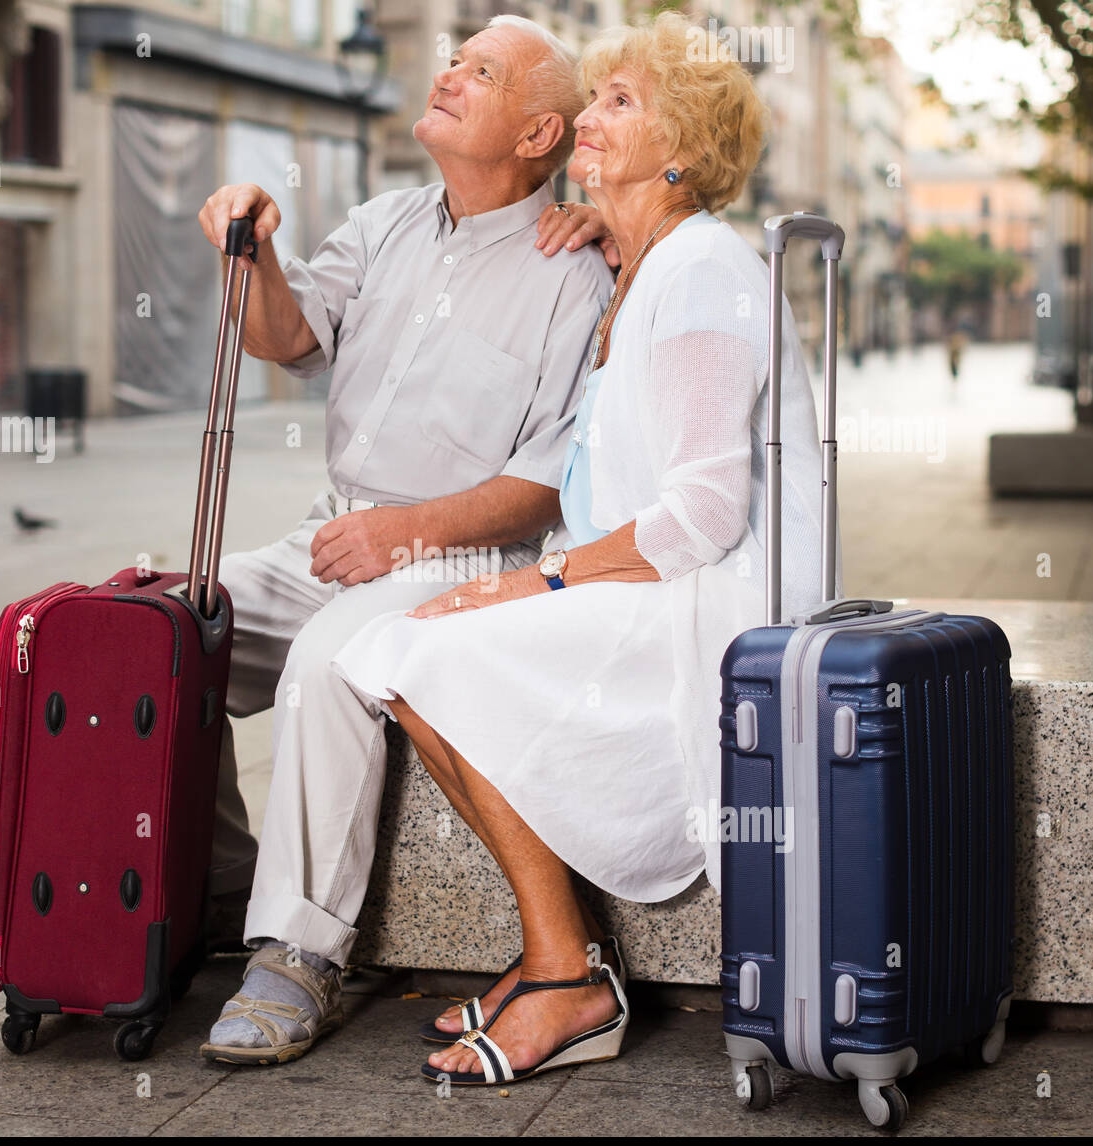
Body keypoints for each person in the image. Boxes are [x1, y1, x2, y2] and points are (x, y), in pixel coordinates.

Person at [332, 9, 830, 1086]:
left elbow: (701, 512)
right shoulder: (646, 264)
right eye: (591, 100)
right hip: (650, 580)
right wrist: (604, 229)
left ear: (683, 154)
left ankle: (568, 976)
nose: (588, 124)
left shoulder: (699, 270)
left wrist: (536, 579)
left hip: (705, 602)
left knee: (424, 648)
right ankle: (558, 954)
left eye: (618, 104)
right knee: (396, 649)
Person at [195, 15, 615, 1065]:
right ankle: (207, 887)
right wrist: (252, 251)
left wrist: (405, 534)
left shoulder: (576, 270)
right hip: (337, 534)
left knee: (327, 664)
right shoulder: (383, 222)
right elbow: (290, 341)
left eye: (482, 71)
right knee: (172, 623)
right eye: (456, 58)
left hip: (464, 559)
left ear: (536, 133)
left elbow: (542, 483)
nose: (448, 74)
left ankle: (297, 952)